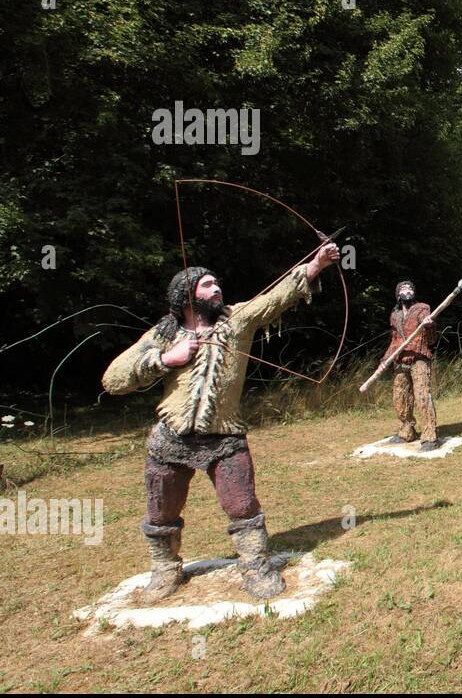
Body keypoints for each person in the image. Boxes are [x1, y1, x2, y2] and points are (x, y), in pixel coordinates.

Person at [102, 242, 340, 603]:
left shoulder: (236, 319)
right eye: (206, 285)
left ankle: (256, 566)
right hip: (171, 440)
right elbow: (113, 379)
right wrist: (167, 359)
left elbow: (276, 297)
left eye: (217, 283)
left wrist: (317, 264)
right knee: (160, 510)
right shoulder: (163, 335)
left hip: (225, 437)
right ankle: (165, 570)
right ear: (186, 296)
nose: (216, 289)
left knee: (242, 505)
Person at [377, 279, 441, 451]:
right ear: (398, 294)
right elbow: (394, 341)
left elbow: (430, 334)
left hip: (419, 358)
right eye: (403, 289)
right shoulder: (395, 315)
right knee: (400, 396)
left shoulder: (422, 308)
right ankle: (407, 430)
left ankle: (429, 436)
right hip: (400, 359)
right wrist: (384, 361)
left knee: (422, 395)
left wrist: (427, 324)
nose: (407, 291)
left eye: (409, 288)